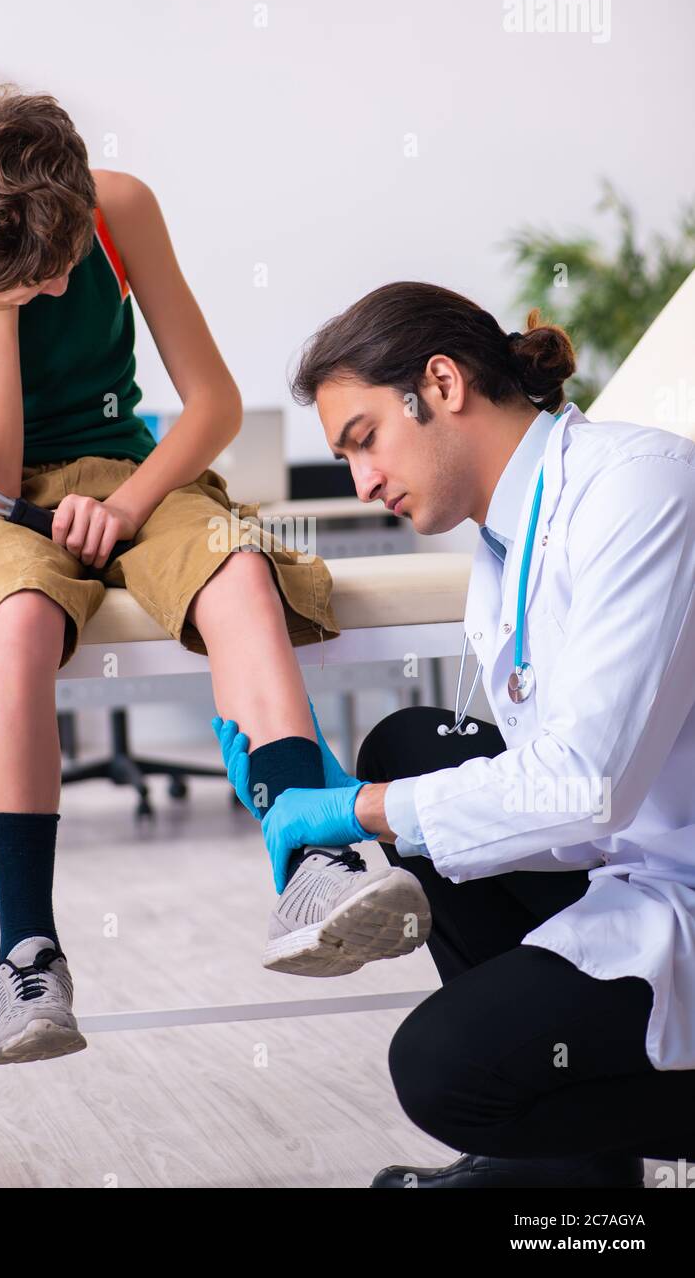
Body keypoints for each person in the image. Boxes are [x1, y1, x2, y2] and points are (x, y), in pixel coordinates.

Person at [0, 84, 431, 1067]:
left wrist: (127, 508)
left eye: (58, 271)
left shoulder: (120, 208)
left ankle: (312, 853)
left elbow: (209, 403)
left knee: (237, 571)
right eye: (24, 281)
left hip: (131, 476)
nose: (50, 290)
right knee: (20, 618)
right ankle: (26, 951)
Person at [215, 282, 695, 1188]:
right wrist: (376, 798)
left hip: (672, 868)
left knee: (444, 1075)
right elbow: (563, 810)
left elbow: (585, 786)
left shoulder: (641, 490)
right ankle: (576, 1182)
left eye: (363, 441)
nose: (359, 480)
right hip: (635, 849)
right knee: (408, 744)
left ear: (440, 384)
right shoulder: (501, 547)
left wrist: (362, 811)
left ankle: (561, 1166)